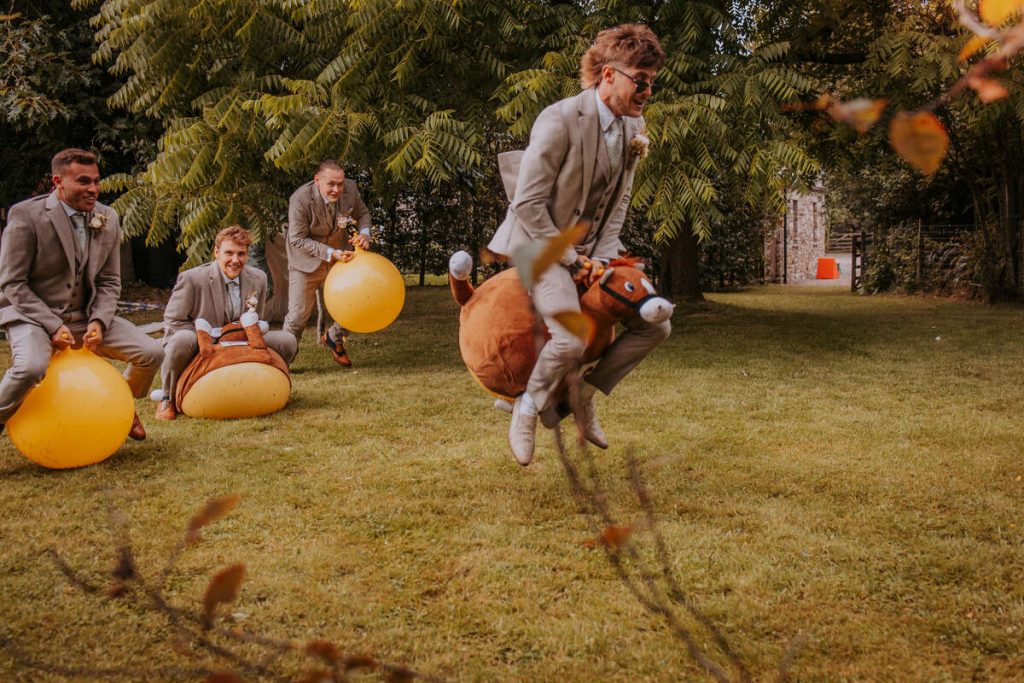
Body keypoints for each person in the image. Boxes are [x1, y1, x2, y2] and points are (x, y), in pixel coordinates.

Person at [488, 24, 671, 465]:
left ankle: (583, 396)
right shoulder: (559, 118)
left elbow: (619, 201)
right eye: (640, 80)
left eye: (652, 82)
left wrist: (603, 256)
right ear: (609, 75)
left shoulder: (635, 126)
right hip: (540, 242)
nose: (647, 91)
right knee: (570, 340)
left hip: (594, 247)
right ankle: (526, 408)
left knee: (655, 324)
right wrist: (573, 260)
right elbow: (528, 204)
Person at [0, 148, 163, 440]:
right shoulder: (26, 216)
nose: (93, 189)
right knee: (30, 368)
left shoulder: (108, 217)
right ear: (58, 182)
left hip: (85, 316)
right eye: (84, 182)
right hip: (33, 316)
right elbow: (12, 284)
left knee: (151, 353)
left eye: (96, 181)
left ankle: (119, 404)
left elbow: (110, 280)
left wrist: (99, 321)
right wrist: (52, 324)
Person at [155, 226, 298, 420]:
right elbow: (173, 319)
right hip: (203, 343)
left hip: (240, 340)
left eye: (241, 254)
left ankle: (271, 385)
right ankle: (167, 397)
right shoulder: (192, 279)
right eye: (228, 253)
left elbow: (257, 317)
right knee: (181, 340)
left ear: (247, 255)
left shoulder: (259, 278)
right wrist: (211, 336)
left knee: (287, 340)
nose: (235, 260)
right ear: (216, 252)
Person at [283, 159, 371, 366]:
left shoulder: (350, 188)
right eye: (331, 184)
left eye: (340, 184)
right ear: (317, 181)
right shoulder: (300, 199)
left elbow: (363, 214)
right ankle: (281, 361)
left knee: (358, 303)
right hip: (306, 262)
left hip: (341, 259)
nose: (337, 189)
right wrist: (331, 253)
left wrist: (365, 234)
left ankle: (334, 337)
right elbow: (297, 239)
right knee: (297, 318)